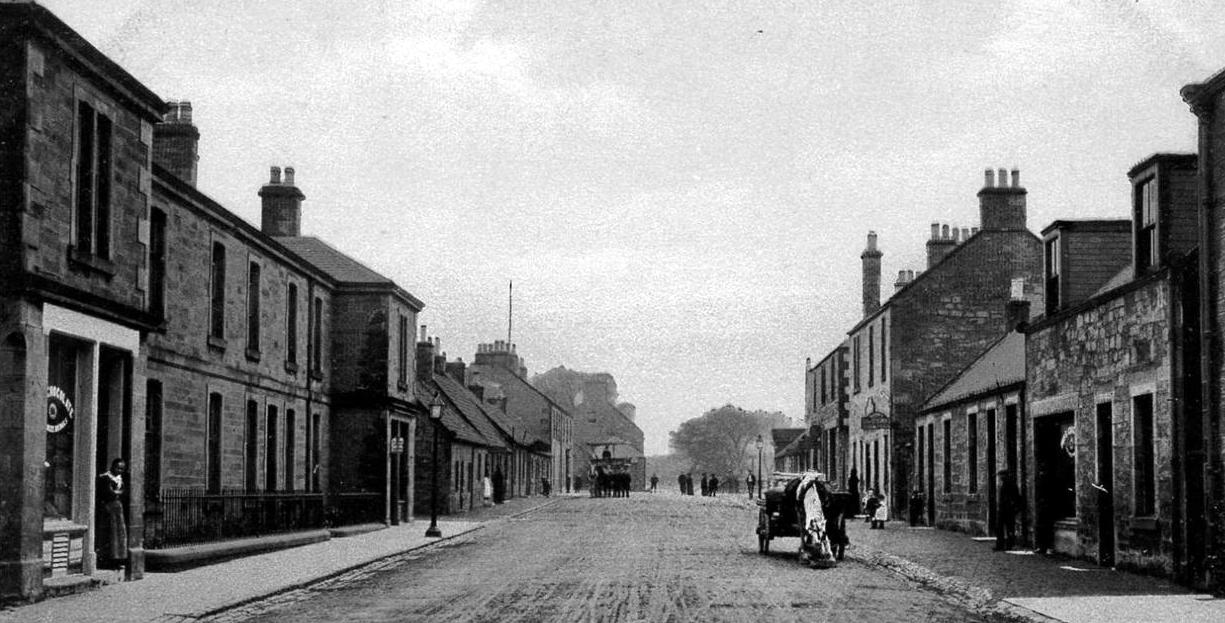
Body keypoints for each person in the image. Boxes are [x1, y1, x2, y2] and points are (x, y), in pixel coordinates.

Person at [96, 458, 128, 569]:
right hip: (108, 509)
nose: (119, 471)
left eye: (122, 469)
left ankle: (118, 558)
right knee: (110, 533)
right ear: (112, 467)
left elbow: (123, 492)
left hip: (118, 509)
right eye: (117, 468)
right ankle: (107, 559)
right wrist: (117, 493)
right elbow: (110, 492)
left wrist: (118, 493)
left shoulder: (120, 479)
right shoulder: (105, 478)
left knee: (119, 533)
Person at [995, 469, 1021, 551]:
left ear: (1004, 475)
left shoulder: (1011, 484)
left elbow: (1016, 497)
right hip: (1002, 509)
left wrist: (1013, 507)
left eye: (1000, 476)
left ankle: (1009, 545)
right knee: (999, 528)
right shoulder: (1003, 484)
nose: (999, 477)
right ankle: (1000, 545)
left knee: (1009, 527)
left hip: (1008, 509)